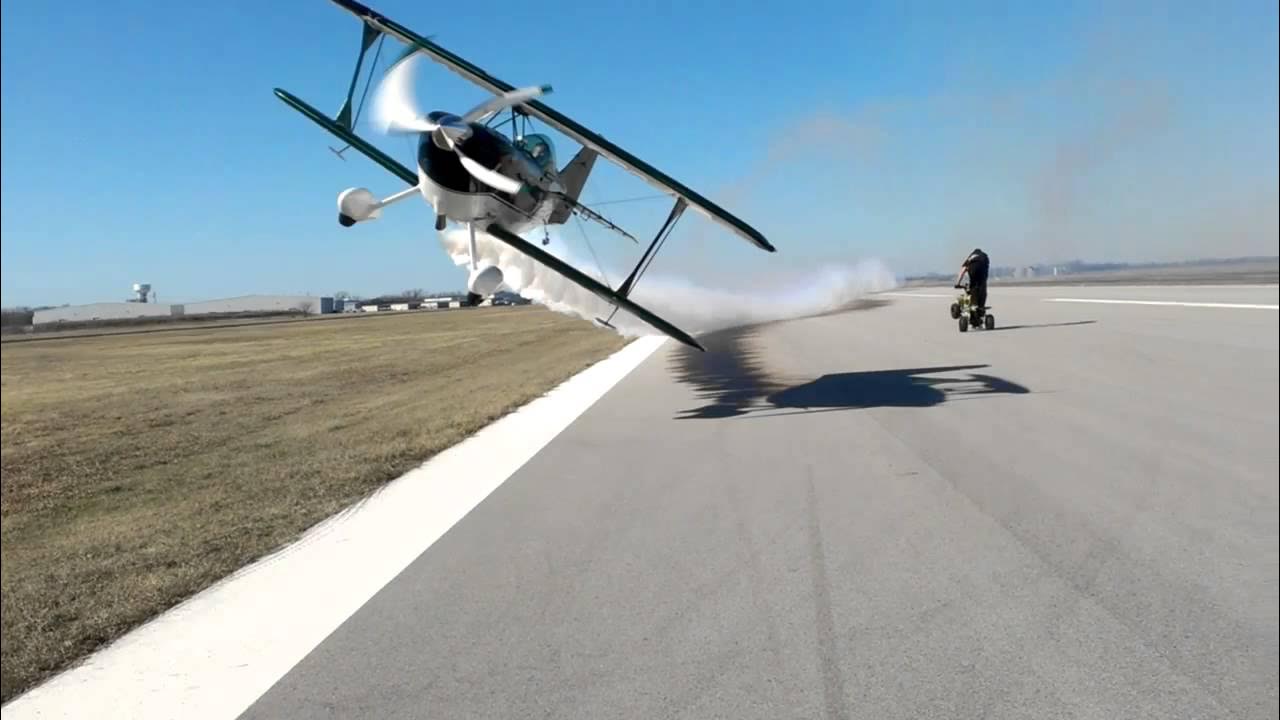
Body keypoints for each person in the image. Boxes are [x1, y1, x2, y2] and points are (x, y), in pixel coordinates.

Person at [954, 247, 990, 314]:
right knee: (982, 292)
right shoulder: (985, 256)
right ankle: (981, 308)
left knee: (973, 290)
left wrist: (957, 283)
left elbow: (963, 271)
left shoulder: (970, 257)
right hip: (983, 276)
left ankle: (973, 307)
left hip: (974, 274)